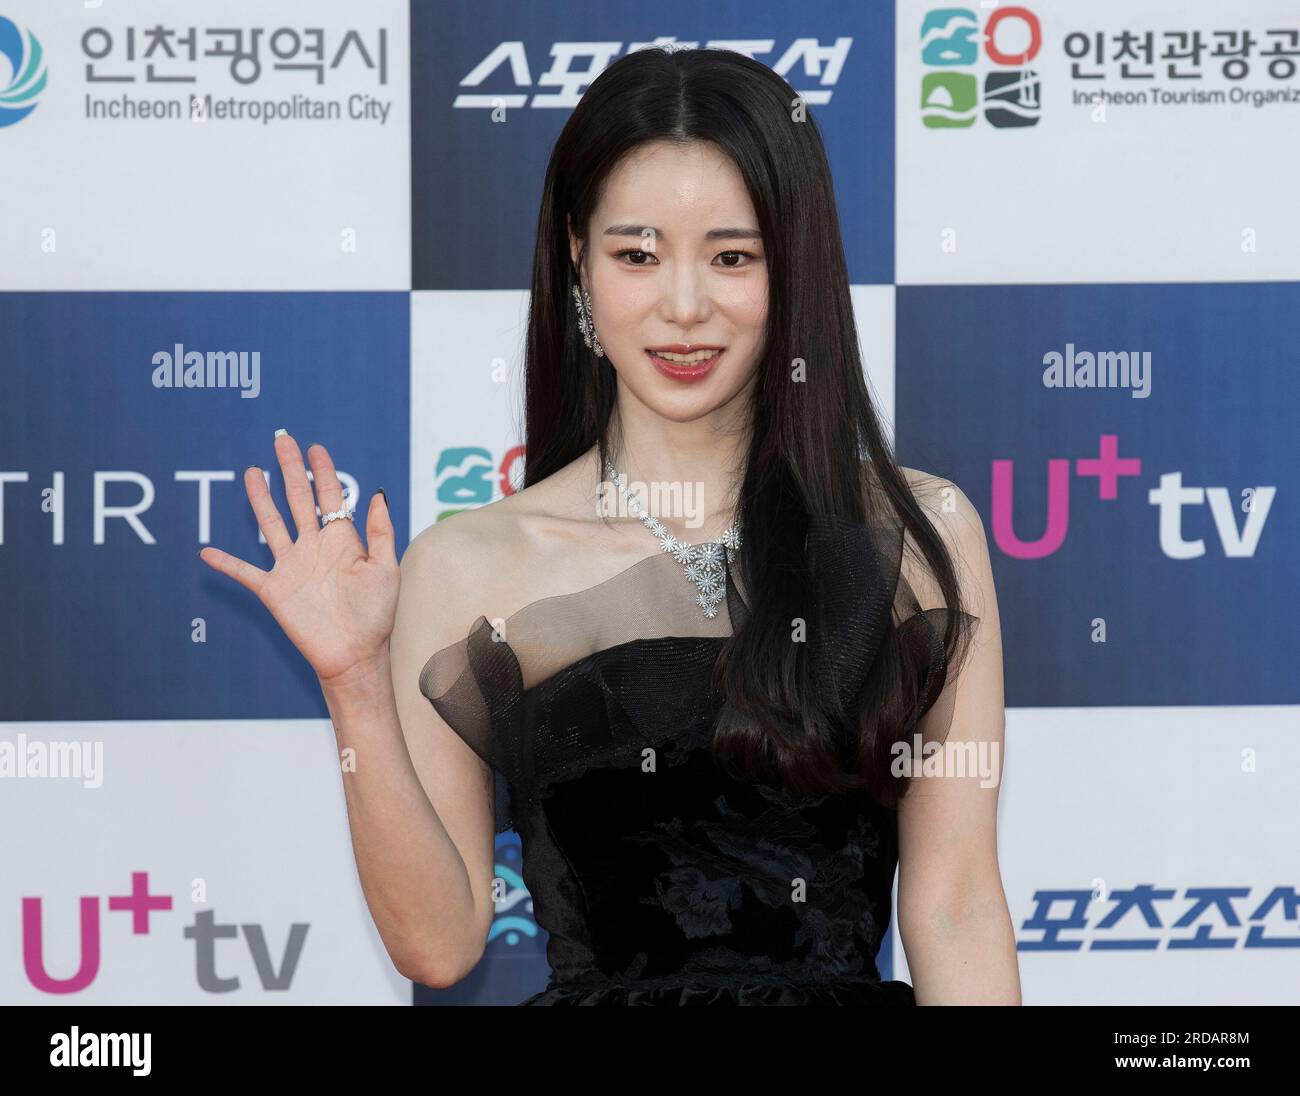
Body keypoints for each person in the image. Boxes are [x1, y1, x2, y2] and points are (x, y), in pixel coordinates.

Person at [200, 46, 1020, 1005]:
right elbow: (439, 943)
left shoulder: (919, 535)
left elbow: (956, 907)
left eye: (732, 256)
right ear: (578, 266)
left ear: (793, 273)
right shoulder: (472, 565)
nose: (683, 305)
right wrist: (353, 685)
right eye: (638, 254)